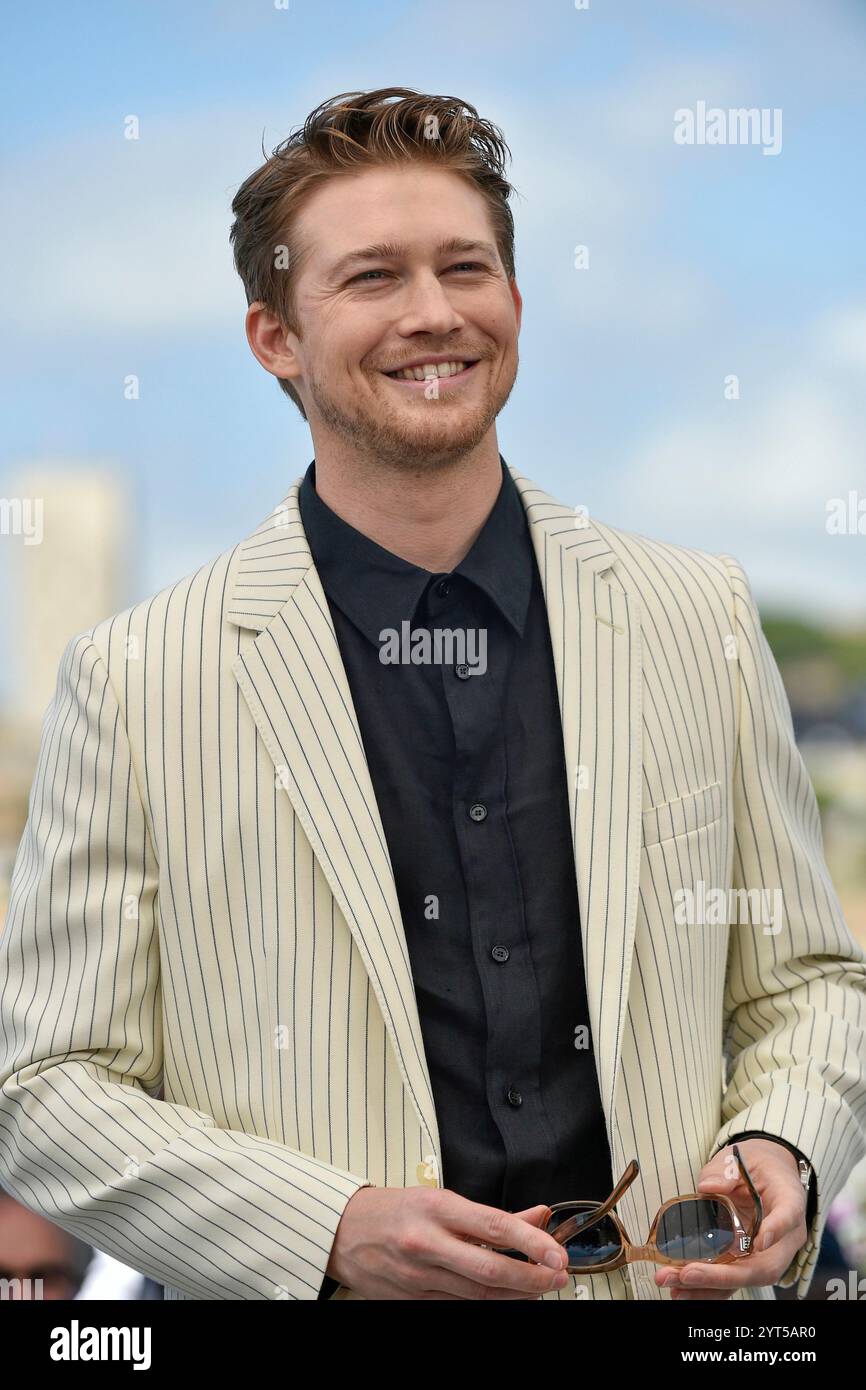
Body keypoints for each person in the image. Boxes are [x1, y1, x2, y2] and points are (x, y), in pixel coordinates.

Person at [1, 87, 864, 1302]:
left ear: (514, 299)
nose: (433, 311)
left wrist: (780, 1140)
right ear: (274, 337)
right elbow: (46, 1086)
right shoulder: (136, 680)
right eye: (372, 277)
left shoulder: (699, 615)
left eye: (465, 266)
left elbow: (807, 983)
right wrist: (327, 1229)